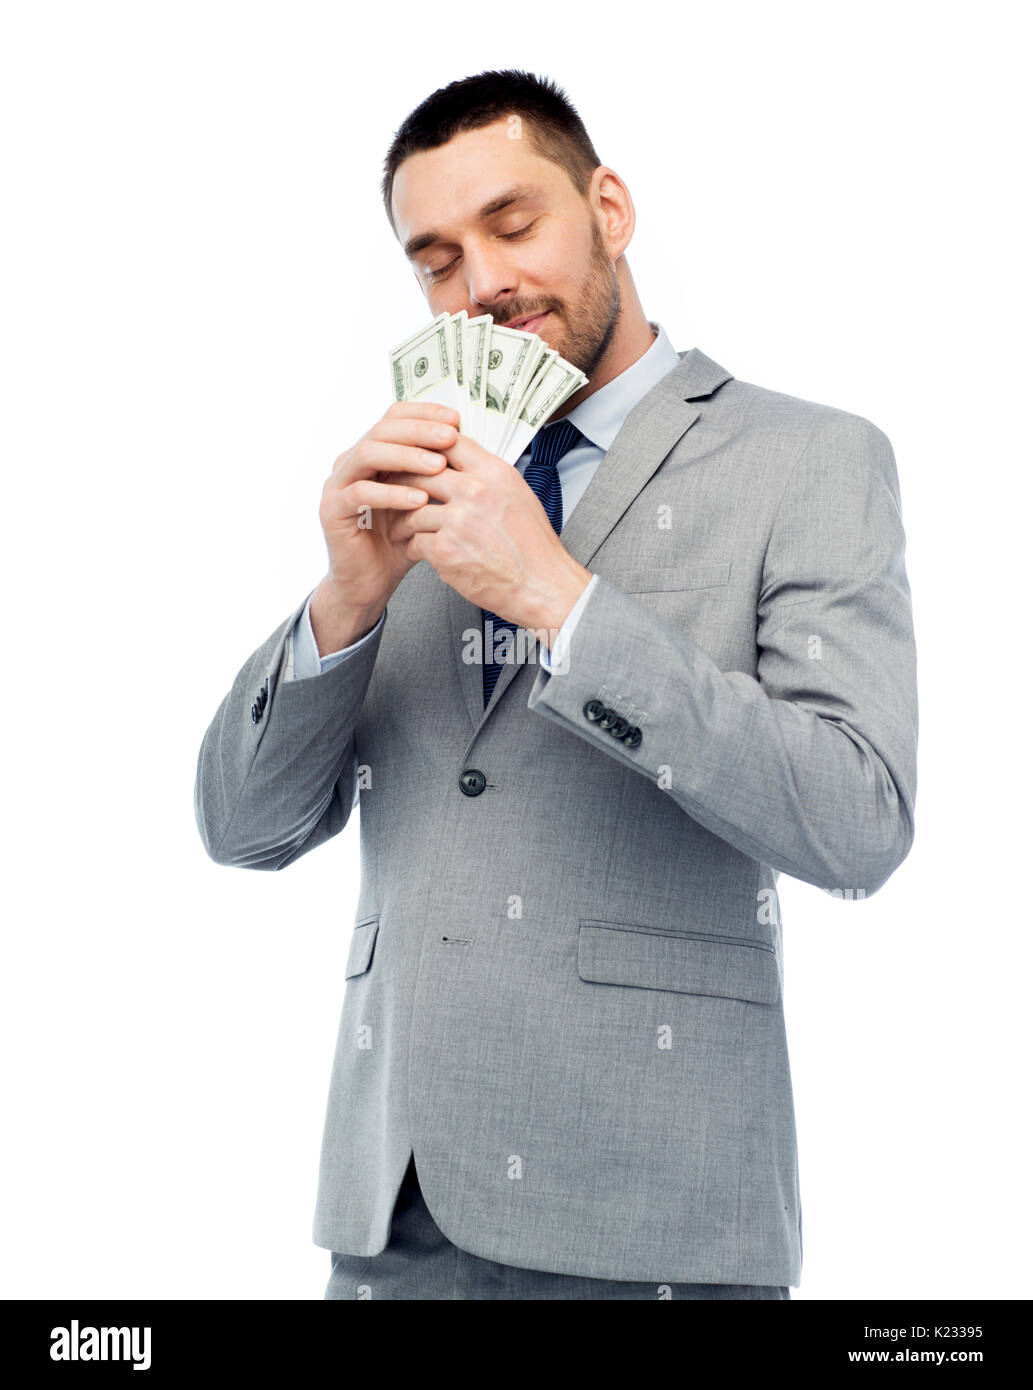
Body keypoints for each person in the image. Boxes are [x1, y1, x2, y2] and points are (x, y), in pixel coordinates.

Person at [194, 69, 918, 1300]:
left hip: (654, 1222)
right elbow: (242, 830)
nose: (479, 285)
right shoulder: (420, 477)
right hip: (390, 1218)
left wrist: (559, 600)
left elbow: (857, 822)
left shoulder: (811, 461)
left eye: (512, 224)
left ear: (611, 209)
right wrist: (347, 598)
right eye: (435, 259)